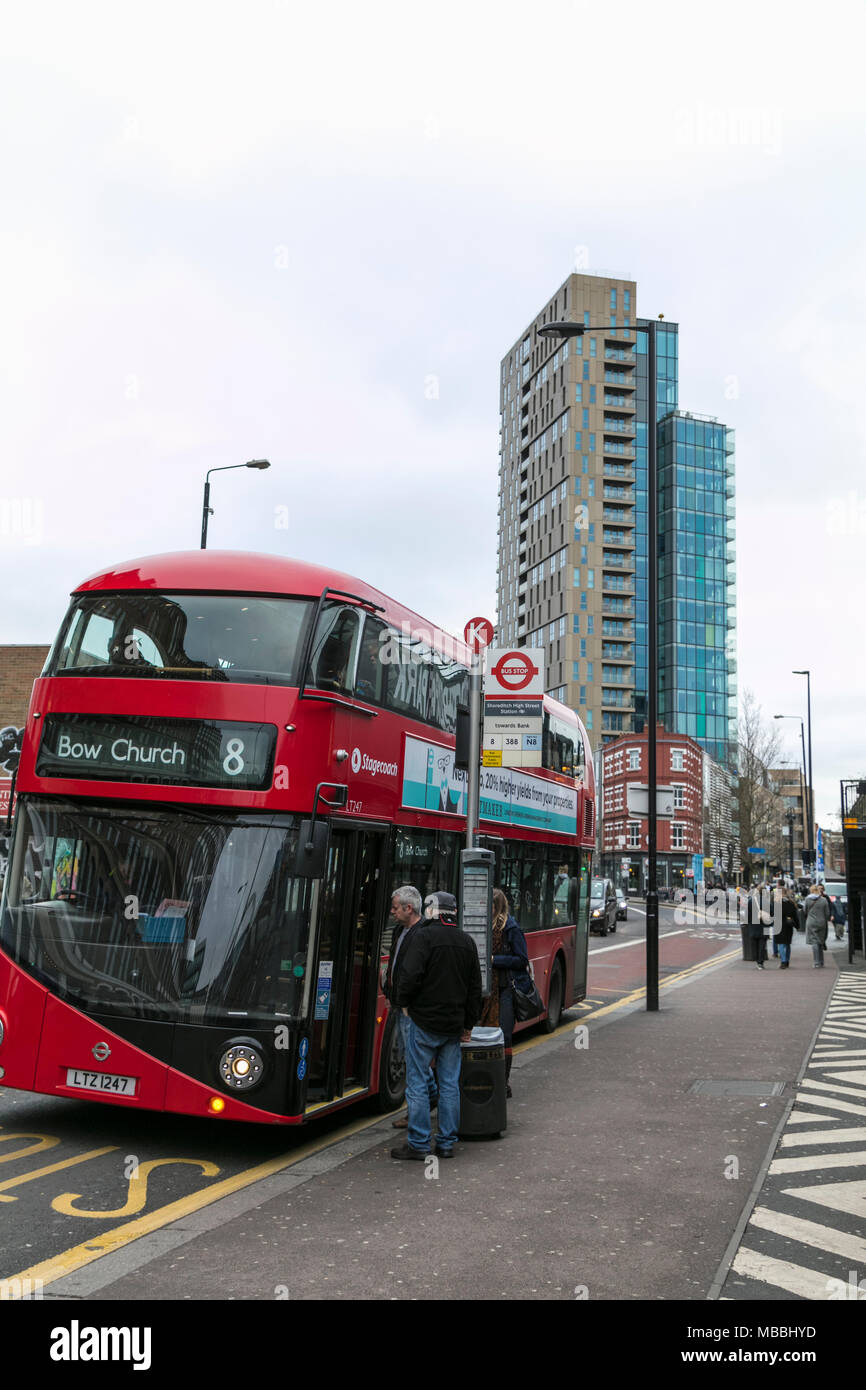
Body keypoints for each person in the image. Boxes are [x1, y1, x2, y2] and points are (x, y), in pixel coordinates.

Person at [392, 891, 482, 1160]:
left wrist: (403, 1003)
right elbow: (474, 990)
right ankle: (445, 1143)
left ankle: (419, 1144)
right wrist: (468, 1024)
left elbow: (409, 976)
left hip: (423, 1022)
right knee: (449, 1084)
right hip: (453, 1027)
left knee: (418, 1083)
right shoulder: (467, 942)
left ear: (431, 910)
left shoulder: (423, 937)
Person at [385, 886, 438, 1129]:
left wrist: (406, 1001)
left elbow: (416, 974)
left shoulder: (422, 934)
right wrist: (389, 991)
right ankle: (430, 1097)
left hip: (411, 1009)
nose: (393, 912)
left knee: (413, 1060)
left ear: (409, 908)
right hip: (399, 1002)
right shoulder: (400, 930)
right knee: (411, 1058)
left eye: (396, 907)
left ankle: (420, 1109)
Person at [480, 888, 530, 1098]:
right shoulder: (482, 926)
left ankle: (503, 1081)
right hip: (486, 992)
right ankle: (486, 1079)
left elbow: (522, 959)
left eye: (488, 905)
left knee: (504, 1037)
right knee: (482, 1034)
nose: (485, 909)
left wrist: (495, 961)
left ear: (497, 906)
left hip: (505, 990)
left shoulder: (511, 928)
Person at [803, 883, 832, 968]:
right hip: (822, 922)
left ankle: (816, 962)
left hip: (811, 922)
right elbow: (827, 913)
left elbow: (805, 911)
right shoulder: (823, 900)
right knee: (820, 941)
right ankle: (821, 961)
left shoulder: (807, 900)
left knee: (814, 942)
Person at [745, 885, 770, 969]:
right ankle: (761, 962)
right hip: (764, 925)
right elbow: (772, 914)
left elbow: (747, 915)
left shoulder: (751, 901)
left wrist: (748, 924)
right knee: (762, 945)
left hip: (753, 925)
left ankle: (757, 960)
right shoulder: (767, 901)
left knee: (755, 944)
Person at [776, 888, 799, 969]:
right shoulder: (791, 903)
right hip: (789, 926)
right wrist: (797, 926)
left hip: (779, 926)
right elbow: (795, 916)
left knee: (781, 944)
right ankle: (787, 961)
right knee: (787, 944)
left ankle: (783, 961)